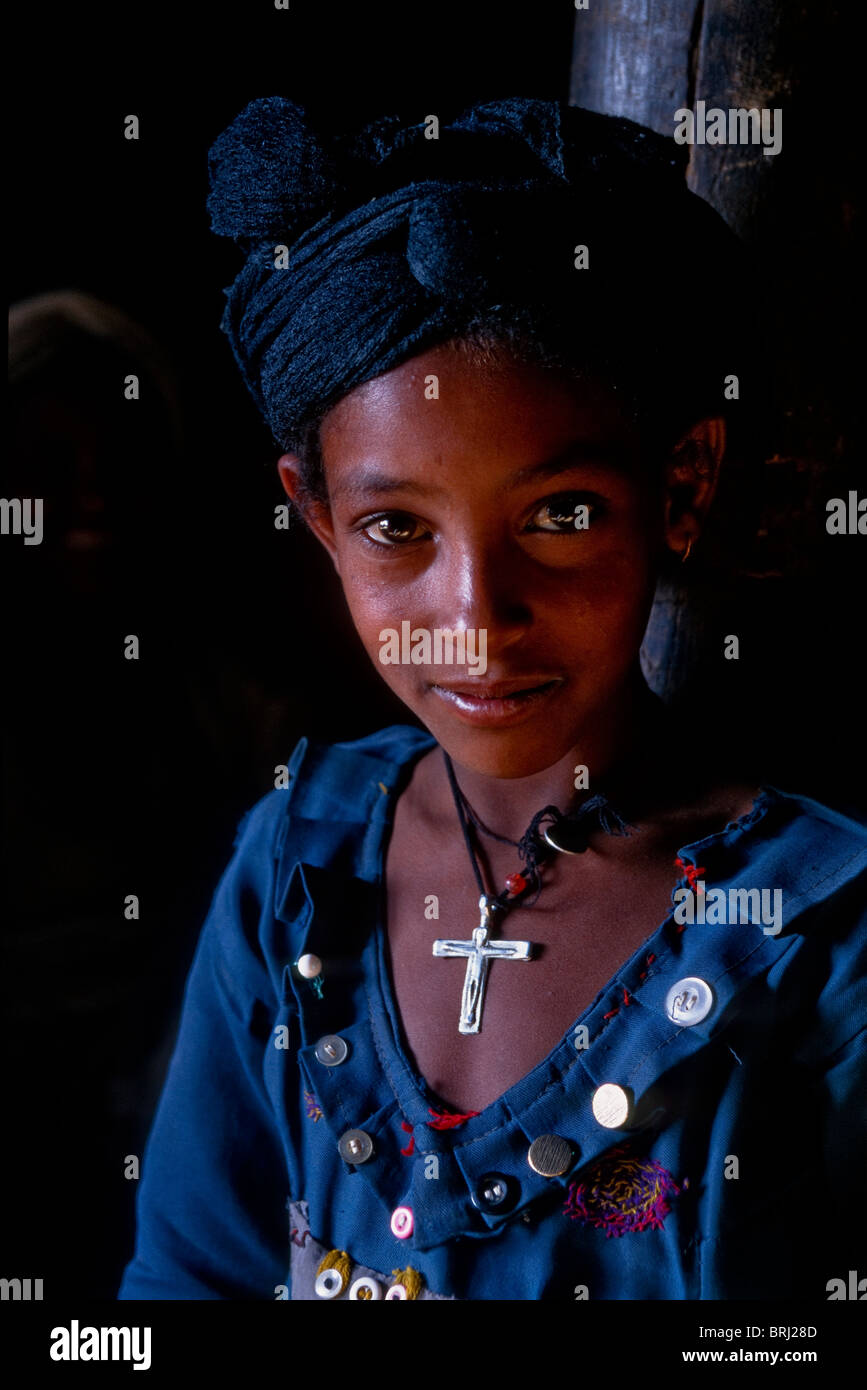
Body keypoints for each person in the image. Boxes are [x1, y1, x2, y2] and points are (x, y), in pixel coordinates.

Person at [117, 97, 866, 1301]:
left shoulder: (817, 941)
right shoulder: (298, 865)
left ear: (682, 487)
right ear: (318, 521)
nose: (473, 618)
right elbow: (187, 1278)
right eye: (396, 528)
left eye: (559, 517)